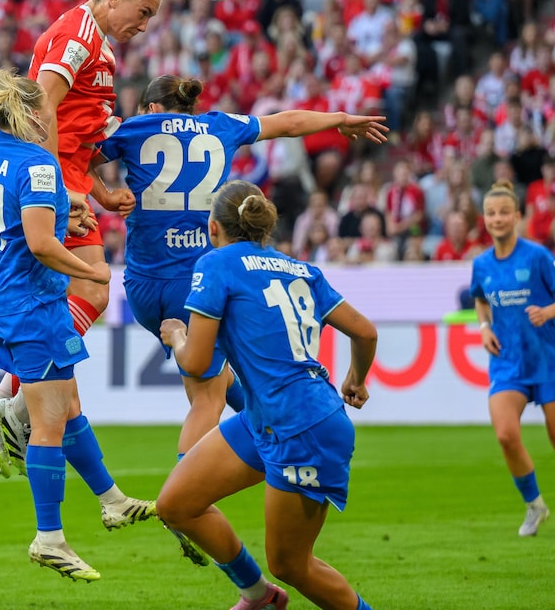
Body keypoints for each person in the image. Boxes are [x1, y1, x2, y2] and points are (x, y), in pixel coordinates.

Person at [97, 74, 388, 460]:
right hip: (199, 281)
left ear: (151, 108)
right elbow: (288, 123)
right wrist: (338, 119)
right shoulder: (219, 125)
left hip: (142, 285)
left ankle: (276, 437)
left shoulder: (133, 128)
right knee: (207, 396)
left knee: (225, 379)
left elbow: (76, 158)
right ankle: (185, 503)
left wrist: (104, 196)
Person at [0, 0, 162, 465]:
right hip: (49, 180)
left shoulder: (99, 43)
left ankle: (10, 401)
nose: (143, 25)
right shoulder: (78, 36)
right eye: (142, 13)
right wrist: (59, 192)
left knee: (83, 296)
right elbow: (43, 106)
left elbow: (79, 125)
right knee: (93, 291)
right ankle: (14, 400)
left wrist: (100, 191)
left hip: (68, 178)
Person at [156, 180, 380, 610]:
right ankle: (258, 596)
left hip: (301, 427)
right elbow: (365, 331)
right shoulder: (301, 269)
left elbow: (198, 363)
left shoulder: (216, 263)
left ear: (213, 227)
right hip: (271, 417)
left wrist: (178, 335)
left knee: (292, 564)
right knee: (177, 505)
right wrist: (356, 378)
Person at [0, 70, 156, 582]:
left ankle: (112, 500)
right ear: (36, 114)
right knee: (48, 423)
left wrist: (65, 213)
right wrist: (92, 270)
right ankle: (49, 538)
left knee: (67, 405)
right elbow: (40, 245)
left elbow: (11, 220)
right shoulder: (39, 164)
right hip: (33, 303)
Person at [470, 179, 555, 538]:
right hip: (508, 362)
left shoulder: (537, 256)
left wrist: (548, 311)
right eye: (491, 213)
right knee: (506, 435)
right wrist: (483, 327)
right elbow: (480, 299)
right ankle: (535, 506)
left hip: (548, 359)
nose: (497, 219)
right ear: (485, 219)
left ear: (517, 217)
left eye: (504, 212)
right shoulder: (481, 264)